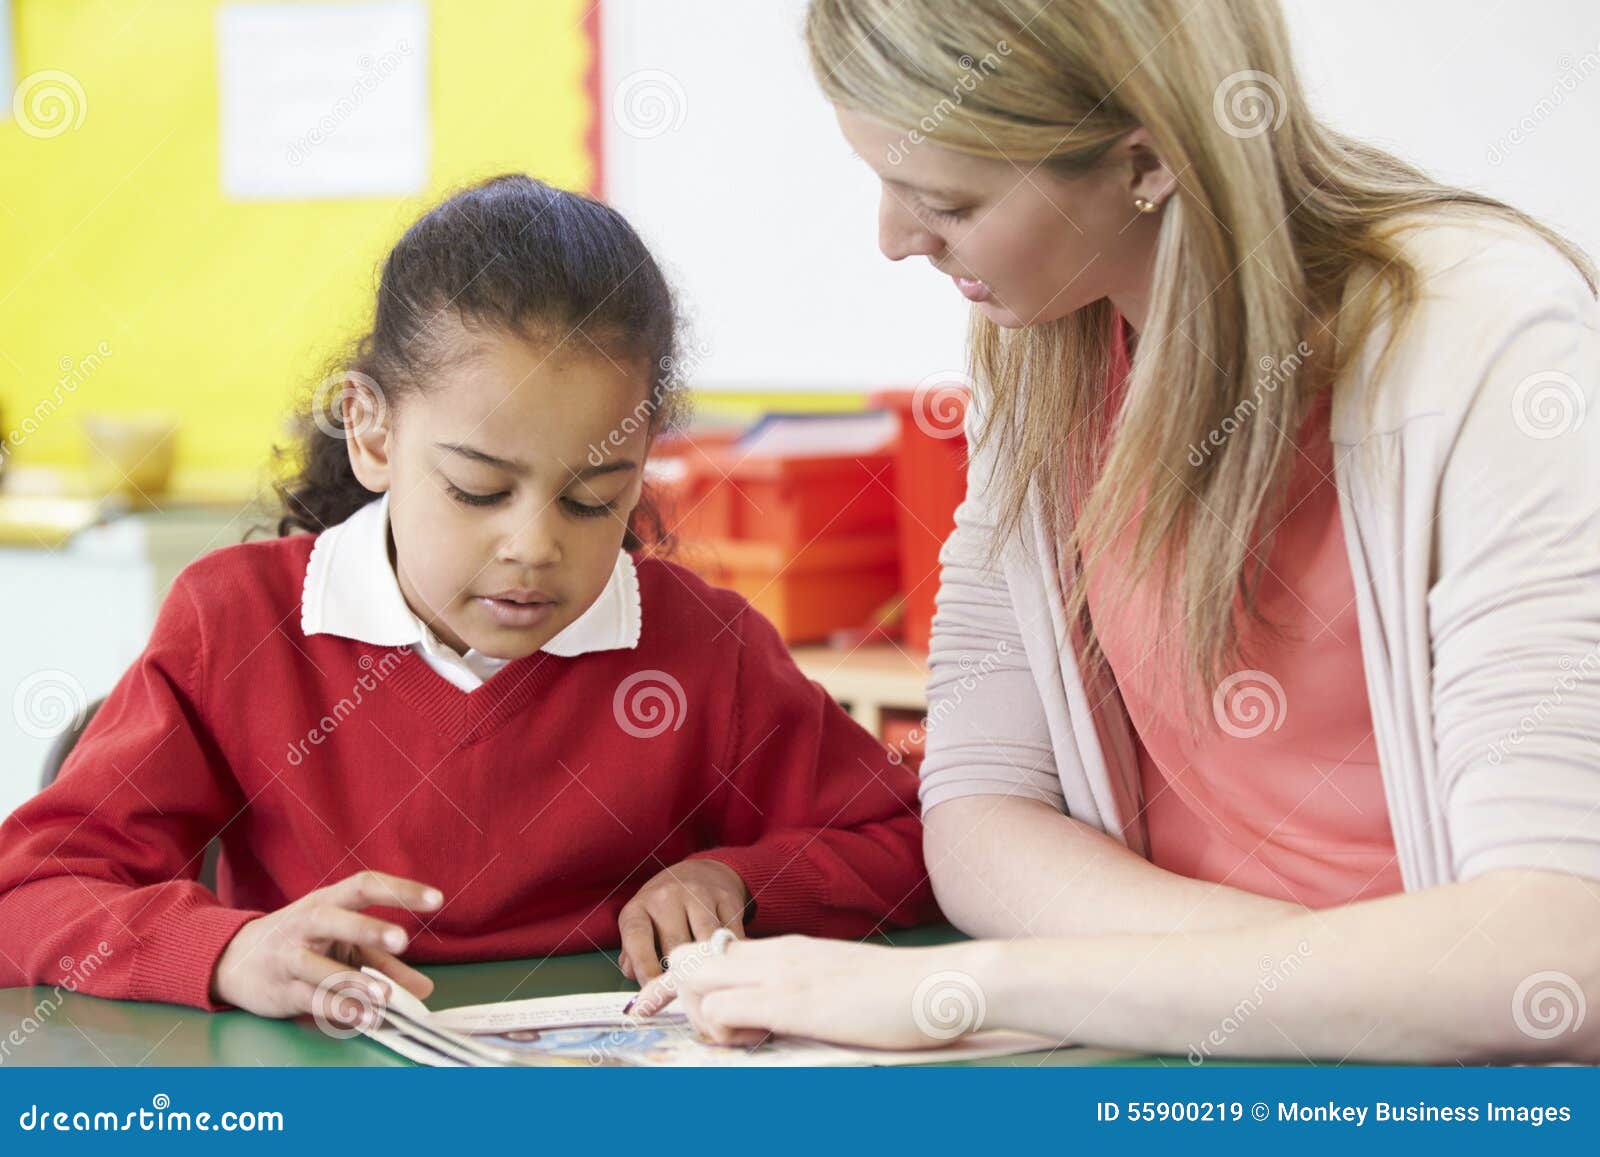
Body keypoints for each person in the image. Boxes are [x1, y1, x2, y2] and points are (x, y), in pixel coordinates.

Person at [633, 0, 1600, 1063]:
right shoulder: (1043, 348)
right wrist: (1348, 989)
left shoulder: (1490, 339)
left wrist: (955, 984)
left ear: (1144, 160)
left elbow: (1547, 953)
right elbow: (977, 820)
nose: (894, 239)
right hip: (1216, 1046)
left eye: (943, 200)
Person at [0, 174, 937, 1025]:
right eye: (478, 490)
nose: (533, 546)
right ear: (372, 432)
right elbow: (32, 891)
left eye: (592, 497)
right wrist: (228, 947)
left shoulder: (704, 647)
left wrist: (739, 877)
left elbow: (914, 843)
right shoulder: (239, 624)